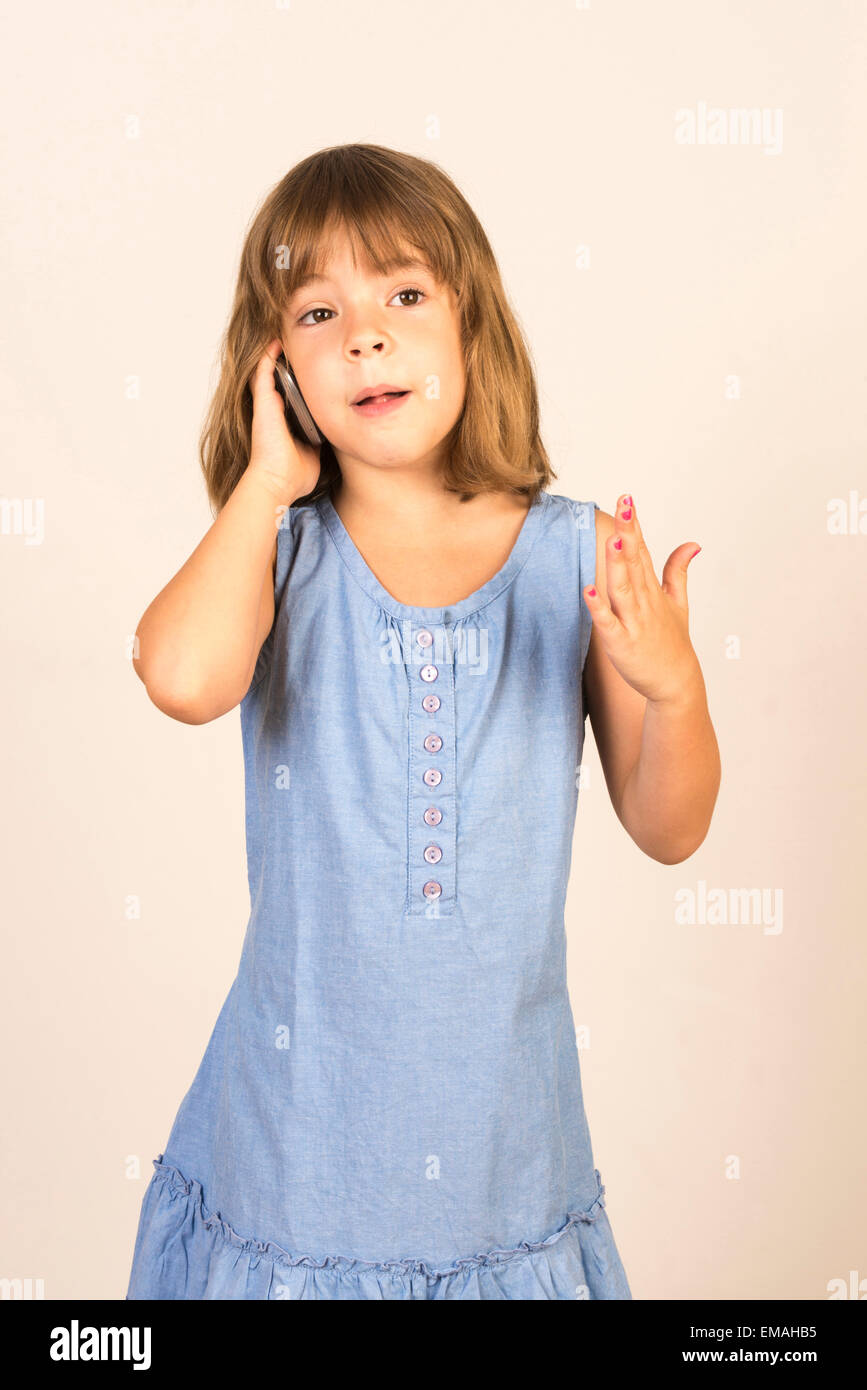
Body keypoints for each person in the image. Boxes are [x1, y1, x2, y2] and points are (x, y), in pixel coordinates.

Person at [125, 143, 720, 1300]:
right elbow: (183, 677)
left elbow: (672, 826)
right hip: (299, 1152)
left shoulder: (575, 556)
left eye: (404, 294)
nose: (366, 335)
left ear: (471, 325)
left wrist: (674, 688)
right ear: (276, 368)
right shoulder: (280, 553)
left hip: (505, 1157)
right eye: (318, 310)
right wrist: (260, 485)